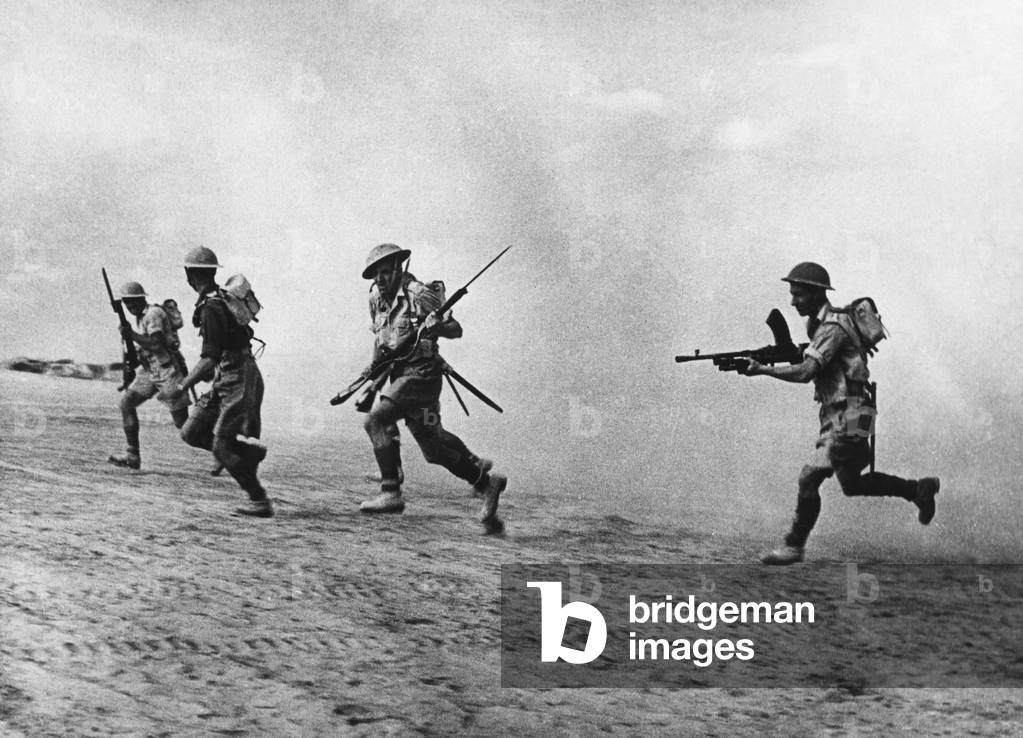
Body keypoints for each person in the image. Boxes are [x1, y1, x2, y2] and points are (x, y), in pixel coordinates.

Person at [740, 262, 939, 565]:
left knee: (809, 478)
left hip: (849, 412)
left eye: (799, 294)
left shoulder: (831, 328)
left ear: (817, 294)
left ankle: (794, 546)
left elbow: (807, 372)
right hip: (856, 410)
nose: (793, 301)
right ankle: (917, 489)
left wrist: (762, 369)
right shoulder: (823, 326)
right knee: (852, 484)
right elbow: (819, 358)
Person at [357, 243, 505, 534]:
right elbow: (381, 340)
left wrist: (436, 328)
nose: (381, 280)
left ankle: (391, 492)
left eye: (386, 272)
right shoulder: (376, 299)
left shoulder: (419, 295)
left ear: (400, 269)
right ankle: (487, 484)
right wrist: (370, 375)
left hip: (422, 376)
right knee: (434, 450)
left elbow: (455, 329)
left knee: (376, 420)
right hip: (400, 377)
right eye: (377, 275)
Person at [170, 246, 272, 518]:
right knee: (191, 432)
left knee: (220, 446)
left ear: (190, 276)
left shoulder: (213, 306)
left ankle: (258, 499)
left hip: (237, 376)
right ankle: (247, 452)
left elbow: (209, 358)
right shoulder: (217, 300)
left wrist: (182, 385)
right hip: (228, 374)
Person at [107, 282, 191, 469]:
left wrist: (131, 334)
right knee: (126, 403)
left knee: (184, 426)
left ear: (142, 298)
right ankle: (132, 456)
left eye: (134, 302)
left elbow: (155, 343)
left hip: (169, 371)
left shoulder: (152, 314)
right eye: (127, 303)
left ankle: (226, 449)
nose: (131, 307)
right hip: (151, 371)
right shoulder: (140, 317)